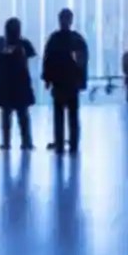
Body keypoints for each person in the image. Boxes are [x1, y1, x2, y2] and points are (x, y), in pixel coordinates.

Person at [41, 9, 87, 154]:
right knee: (71, 115)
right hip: (68, 82)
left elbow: (47, 60)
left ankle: (61, 145)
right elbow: (83, 62)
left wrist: (47, 79)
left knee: (60, 115)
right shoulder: (77, 39)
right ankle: (72, 145)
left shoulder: (54, 39)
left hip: (61, 82)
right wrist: (81, 81)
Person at [0, 18, 37, 150]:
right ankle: (25, 141)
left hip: (8, 84)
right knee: (21, 115)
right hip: (18, 84)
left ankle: (8, 142)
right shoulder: (22, 44)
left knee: (9, 115)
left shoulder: (1, 44)